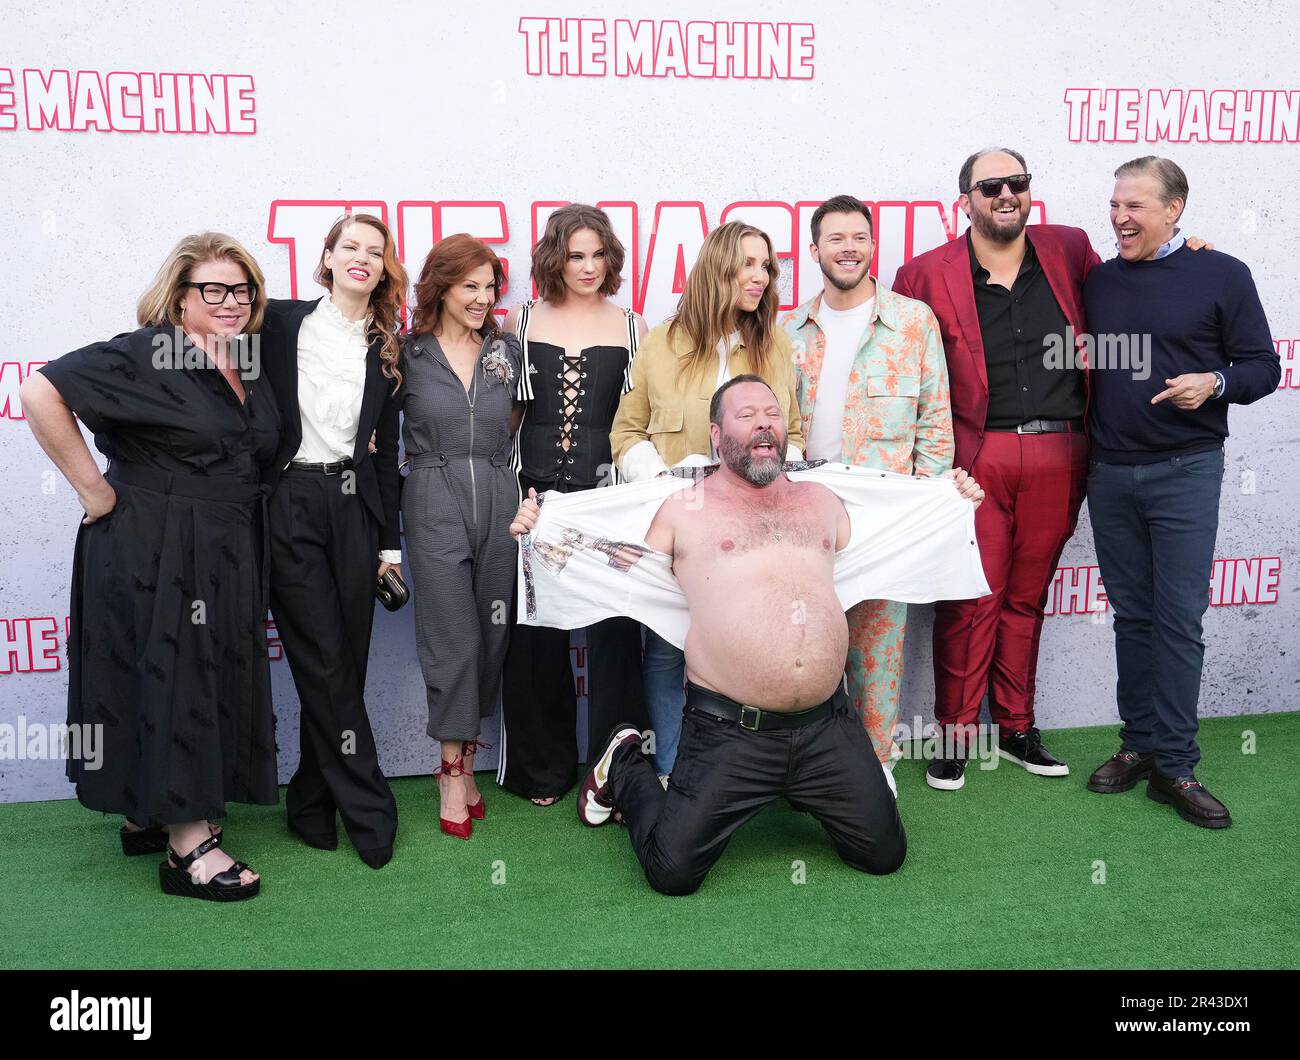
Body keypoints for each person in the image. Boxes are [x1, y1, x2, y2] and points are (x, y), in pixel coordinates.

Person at [511, 375, 984, 895]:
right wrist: (542, 526)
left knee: (884, 855)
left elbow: (895, 532)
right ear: (716, 435)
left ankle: (802, 788)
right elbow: (608, 554)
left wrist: (949, 499)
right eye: (747, 415)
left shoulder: (823, 500)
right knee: (671, 874)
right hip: (729, 733)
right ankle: (624, 765)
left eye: (772, 414)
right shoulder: (682, 508)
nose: (764, 424)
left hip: (827, 726)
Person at [21, 232, 279, 901]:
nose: (230, 302)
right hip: (154, 542)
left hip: (223, 541)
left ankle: (148, 810)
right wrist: (92, 491)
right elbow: (40, 391)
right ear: (179, 296)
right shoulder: (145, 352)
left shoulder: (244, 361)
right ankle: (188, 848)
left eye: (242, 289)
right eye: (212, 289)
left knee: (191, 673)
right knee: (176, 676)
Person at [1083, 157, 1280, 828]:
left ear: (1175, 209)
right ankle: (1138, 745)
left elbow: (1263, 366)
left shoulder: (1222, 273)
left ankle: (1175, 765)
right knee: (1132, 617)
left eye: (1135, 205)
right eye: (1115, 204)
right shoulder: (1097, 280)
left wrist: (1215, 383)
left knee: (1177, 620)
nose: (1120, 217)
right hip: (1109, 473)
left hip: (1186, 471)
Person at [892, 148, 1095, 789]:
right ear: (966, 201)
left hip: (1061, 451)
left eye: (1018, 183)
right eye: (991, 186)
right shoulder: (923, 274)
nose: (1006, 194)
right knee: (970, 598)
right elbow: (902, 365)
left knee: (1026, 599)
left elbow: (1133, 289)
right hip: (975, 458)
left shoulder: (1069, 250)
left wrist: (1184, 251)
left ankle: (1016, 728)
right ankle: (954, 734)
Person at [608, 220, 805, 781]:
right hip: (681, 533)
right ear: (718, 268)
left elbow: (793, 434)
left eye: (766, 266)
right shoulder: (661, 343)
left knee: (749, 646)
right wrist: (668, 484)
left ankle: (743, 774)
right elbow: (627, 432)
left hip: (753, 532)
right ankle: (673, 774)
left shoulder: (775, 344)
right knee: (667, 652)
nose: (761, 277)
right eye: (748, 264)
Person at [781, 194, 953, 766]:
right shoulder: (789, 331)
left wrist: (921, 515)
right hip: (806, 518)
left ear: (873, 245)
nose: (849, 248)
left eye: (859, 238)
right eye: (836, 238)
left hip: (885, 520)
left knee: (878, 654)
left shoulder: (913, 322)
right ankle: (816, 772)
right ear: (814, 250)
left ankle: (878, 770)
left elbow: (935, 423)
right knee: (807, 651)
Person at [261, 213, 406, 867]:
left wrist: (389, 547)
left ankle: (310, 801)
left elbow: (387, 456)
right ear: (326, 258)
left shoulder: (387, 349)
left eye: (375, 251)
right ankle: (371, 811)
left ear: (382, 269)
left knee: (345, 660)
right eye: (350, 246)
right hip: (290, 501)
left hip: (354, 507)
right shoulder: (278, 323)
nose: (362, 257)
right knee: (324, 659)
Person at [499, 204, 649, 806]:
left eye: (598, 254)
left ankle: (619, 770)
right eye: (575, 255)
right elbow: (508, 415)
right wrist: (512, 494)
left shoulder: (633, 326)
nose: (588, 266)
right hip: (535, 498)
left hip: (607, 501)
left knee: (615, 638)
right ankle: (542, 769)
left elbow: (636, 423)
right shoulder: (522, 319)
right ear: (553, 259)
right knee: (535, 636)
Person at [399, 234, 522, 839]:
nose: (481, 297)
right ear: (441, 287)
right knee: (453, 639)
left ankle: (468, 765)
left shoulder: (507, 350)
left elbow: (519, 425)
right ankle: (450, 773)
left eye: (489, 286)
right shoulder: (407, 353)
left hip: (500, 496)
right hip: (432, 495)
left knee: (492, 638)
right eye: (469, 286)